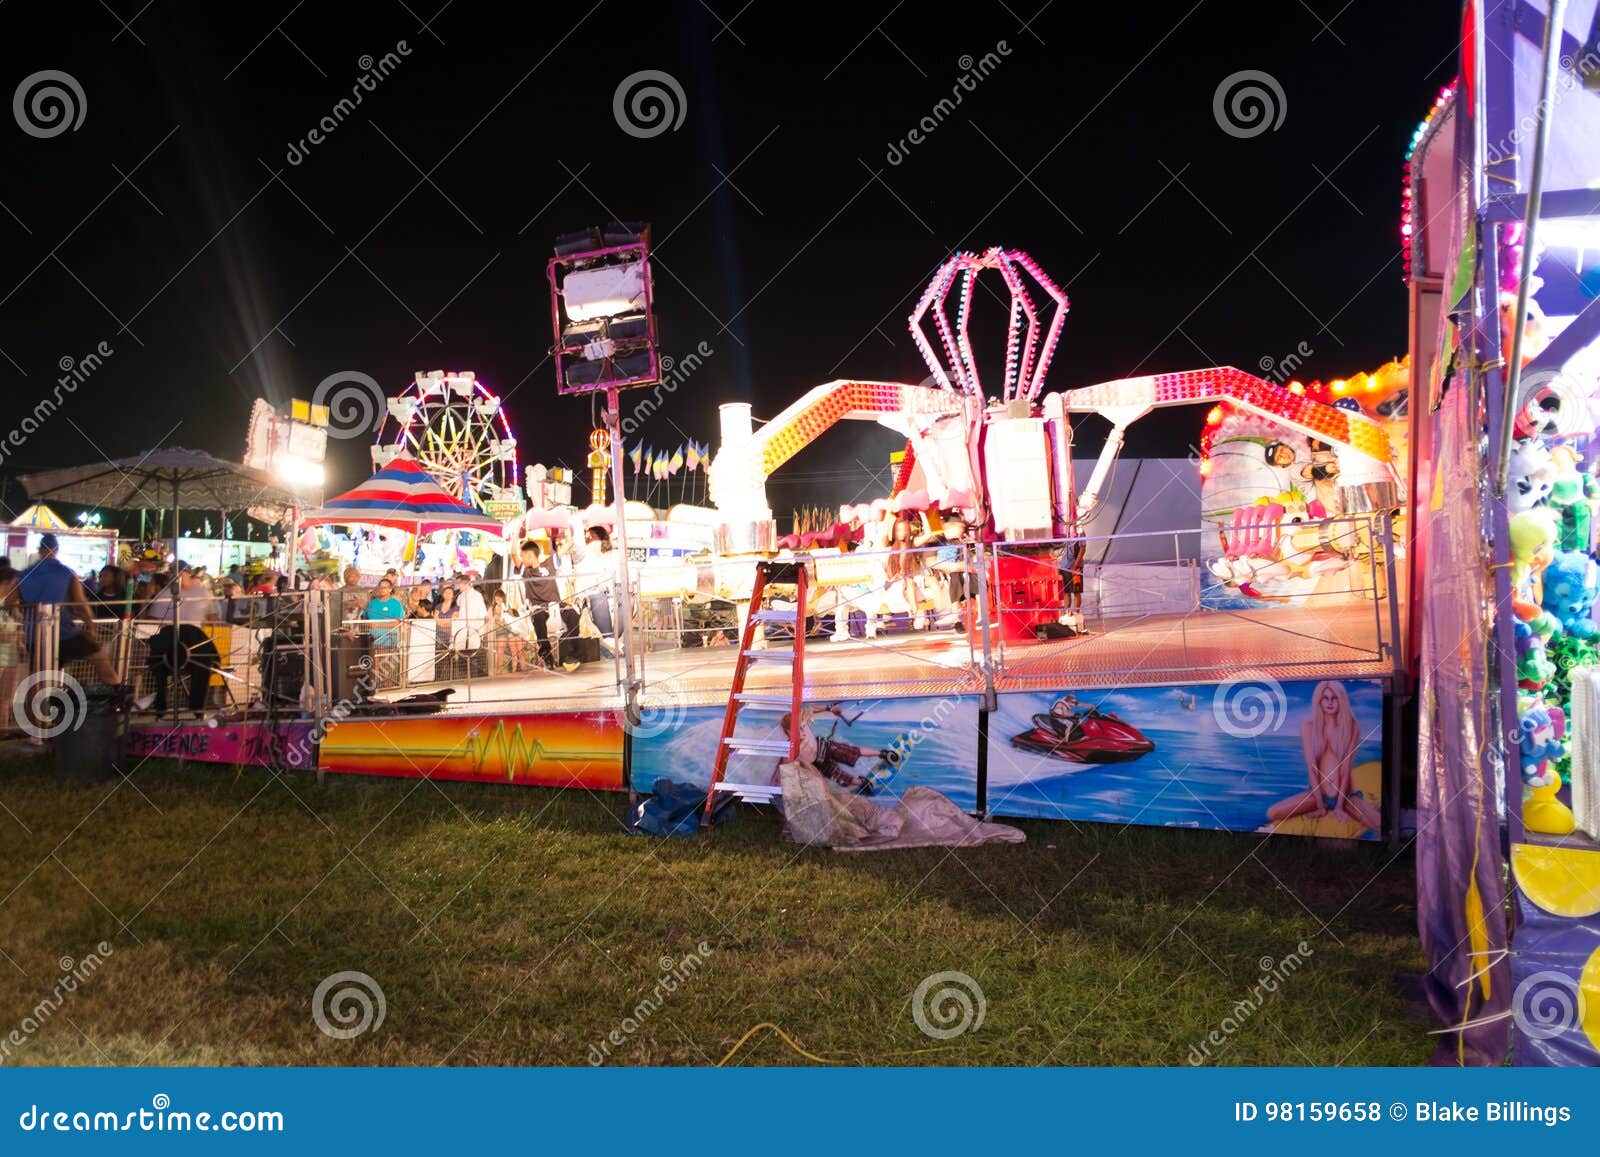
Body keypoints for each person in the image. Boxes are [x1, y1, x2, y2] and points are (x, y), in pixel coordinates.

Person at [1267, 681, 1380, 830]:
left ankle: (1340, 806)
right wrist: (1320, 806)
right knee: (1273, 812)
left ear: (1341, 700)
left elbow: (1346, 769)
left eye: (1335, 698)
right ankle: (1324, 804)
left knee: (1378, 823)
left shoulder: (1351, 727)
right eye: (1325, 698)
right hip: (1316, 796)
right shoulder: (1308, 727)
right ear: (1319, 701)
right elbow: (1312, 767)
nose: (1330, 703)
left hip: (1346, 796)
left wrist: (1339, 807)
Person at [8, 533, 119, 686]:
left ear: (40, 550)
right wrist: (91, 627)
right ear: (56, 550)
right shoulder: (66, 572)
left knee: (40, 681)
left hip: (34, 636)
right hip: (64, 633)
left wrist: (18, 616)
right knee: (101, 661)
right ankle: (116, 697)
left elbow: (9, 602)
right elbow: (81, 604)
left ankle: (39, 708)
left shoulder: (24, 575)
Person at [518, 539, 580, 668]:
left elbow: (568, 543)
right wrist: (517, 528)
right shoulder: (526, 572)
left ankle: (573, 654)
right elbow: (513, 554)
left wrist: (566, 528)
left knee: (573, 615)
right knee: (539, 617)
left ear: (530, 556)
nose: (521, 559)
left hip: (556, 606)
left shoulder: (550, 563)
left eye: (522, 556)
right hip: (540, 608)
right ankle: (547, 655)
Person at [1058, 522, 1087, 632]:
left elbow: (1083, 549)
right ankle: (1067, 613)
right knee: (1066, 591)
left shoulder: (1080, 531)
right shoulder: (1064, 531)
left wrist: (1075, 564)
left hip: (1075, 567)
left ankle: (1077, 613)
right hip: (1064, 566)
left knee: (1076, 591)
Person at [365, 577, 407, 651]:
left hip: (389, 637)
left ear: (390, 589)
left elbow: (397, 623)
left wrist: (378, 625)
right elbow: (366, 618)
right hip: (372, 637)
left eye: (385, 587)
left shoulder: (396, 604)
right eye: (380, 587)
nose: (382, 589)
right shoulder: (372, 603)